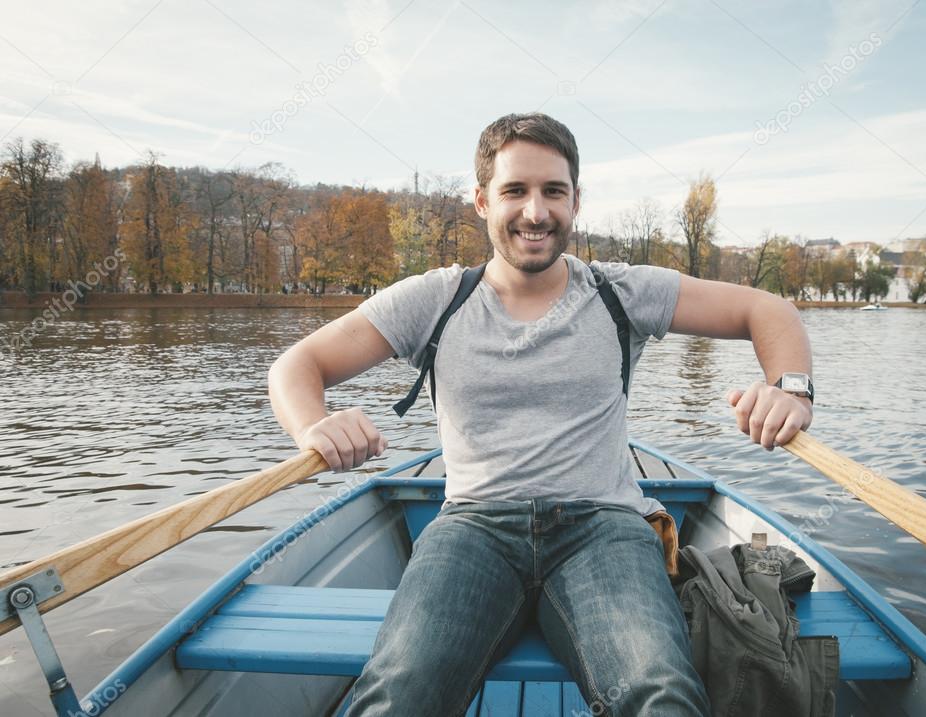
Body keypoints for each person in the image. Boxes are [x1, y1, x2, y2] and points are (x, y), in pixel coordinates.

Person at [267, 112, 813, 717]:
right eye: (514, 191)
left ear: (576, 201)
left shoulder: (620, 292)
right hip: (473, 527)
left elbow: (767, 309)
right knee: (398, 693)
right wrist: (312, 424)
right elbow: (297, 366)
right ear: (481, 200)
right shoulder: (436, 299)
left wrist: (790, 390)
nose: (535, 211)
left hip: (604, 528)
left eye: (553, 191)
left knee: (660, 694)